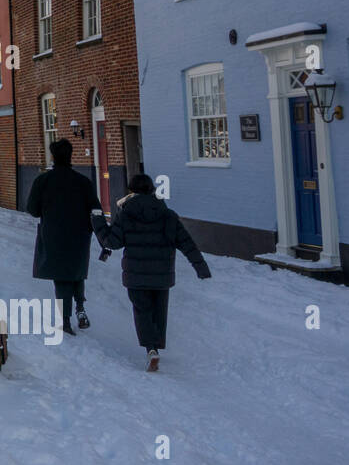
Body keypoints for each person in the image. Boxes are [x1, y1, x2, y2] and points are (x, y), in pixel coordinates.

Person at [93, 173, 211, 372]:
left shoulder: (127, 214)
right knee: (159, 311)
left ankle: (151, 349)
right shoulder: (167, 215)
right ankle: (155, 346)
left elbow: (112, 242)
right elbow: (186, 243)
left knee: (142, 311)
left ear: (132, 191)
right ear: (152, 190)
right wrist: (201, 267)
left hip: (136, 274)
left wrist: (98, 223)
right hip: (162, 273)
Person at [26, 138, 102, 335]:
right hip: (79, 233)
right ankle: (80, 307)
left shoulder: (42, 181)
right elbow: (96, 210)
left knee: (61, 277)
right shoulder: (83, 182)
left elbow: (32, 210)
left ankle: (65, 320)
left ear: (53, 156)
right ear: (71, 155)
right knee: (76, 271)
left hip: (53, 233)